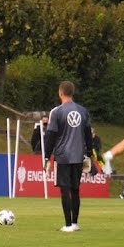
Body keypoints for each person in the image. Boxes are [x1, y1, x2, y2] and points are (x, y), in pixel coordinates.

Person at [43, 81, 92, 233]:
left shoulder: (56, 112)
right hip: (78, 156)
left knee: (65, 190)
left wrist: (46, 157)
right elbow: (88, 134)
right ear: (73, 92)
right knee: (76, 189)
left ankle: (68, 225)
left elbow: (51, 135)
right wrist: (89, 153)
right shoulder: (83, 111)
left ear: (60, 93)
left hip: (63, 156)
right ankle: (75, 223)